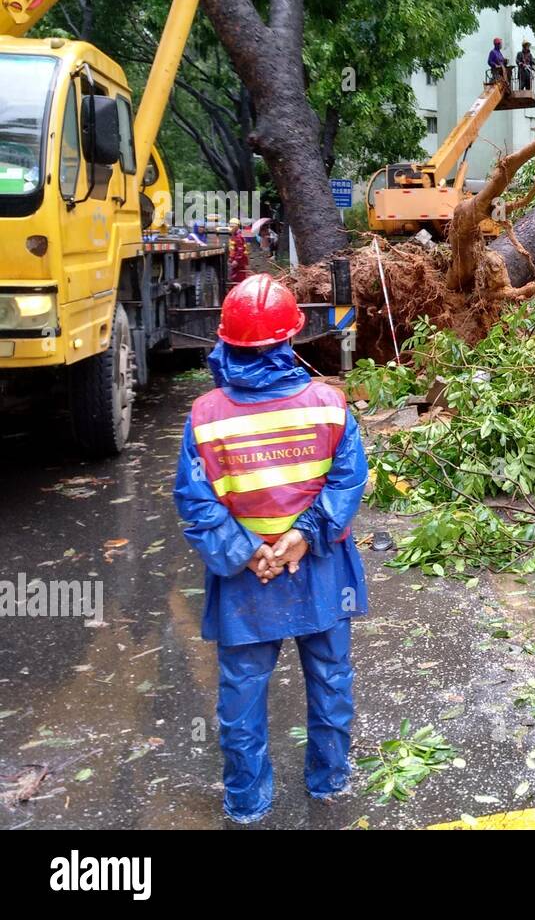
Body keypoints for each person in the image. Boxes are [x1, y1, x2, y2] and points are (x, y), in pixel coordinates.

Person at [173, 274, 368, 824]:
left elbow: (195, 502)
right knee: (330, 678)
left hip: (245, 577)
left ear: (226, 342)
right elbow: (348, 480)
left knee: (241, 695)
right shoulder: (329, 406)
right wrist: (303, 536)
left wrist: (249, 552)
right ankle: (329, 780)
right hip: (321, 567)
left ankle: (247, 802)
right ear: (290, 340)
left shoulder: (205, 416)